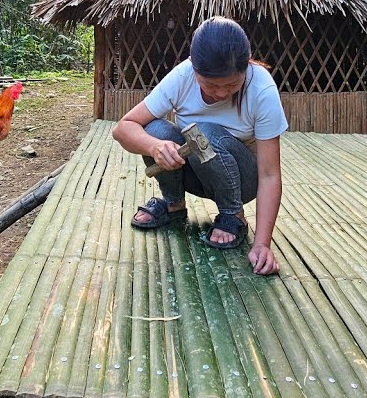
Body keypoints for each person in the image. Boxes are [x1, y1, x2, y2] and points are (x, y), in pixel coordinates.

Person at [111, 16, 288, 276]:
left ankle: (233, 215)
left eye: (231, 84)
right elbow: (123, 128)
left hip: (243, 181)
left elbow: (270, 174)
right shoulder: (182, 76)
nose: (220, 94)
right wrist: (154, 147)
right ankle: (173, 206)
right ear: (194, 70)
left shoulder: (261, 88)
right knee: (155, 130)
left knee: (205, 133)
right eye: (211, 85)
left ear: (246, 68)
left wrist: (262, 244)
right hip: (196, 174)